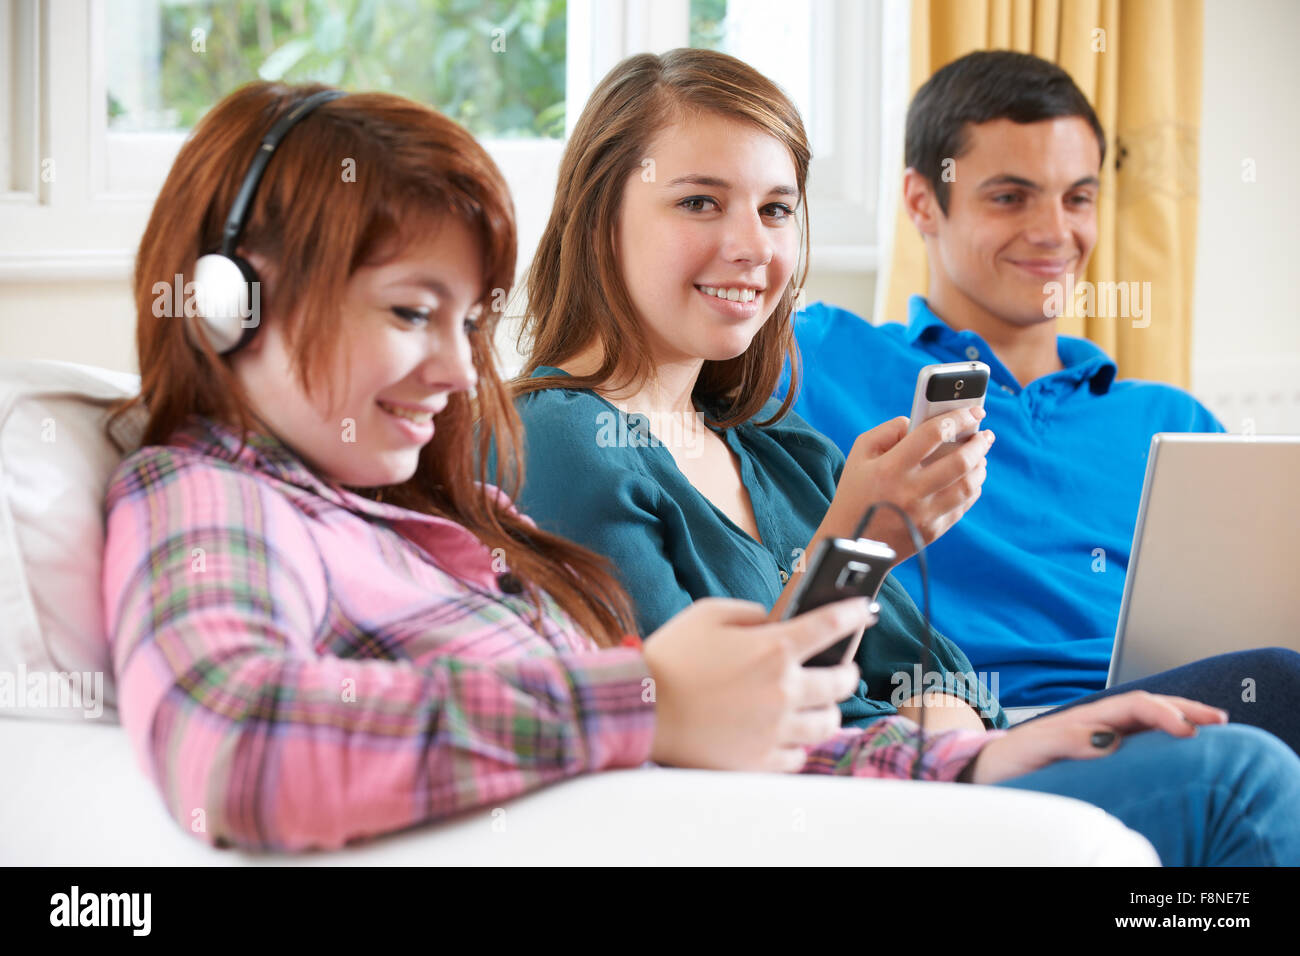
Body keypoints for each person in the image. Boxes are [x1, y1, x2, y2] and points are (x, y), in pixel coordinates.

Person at [99, 80, 1300, 866]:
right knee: (1240, 767)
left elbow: (728, 717)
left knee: (1255, 717)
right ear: (228, 301)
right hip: (756, 834)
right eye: (414, 310)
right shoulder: (211, 492)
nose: (463, 373)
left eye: (470, 323)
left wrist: (973, 748)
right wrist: (664, 687)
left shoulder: (459, 515)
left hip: (803, 800)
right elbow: (234, 735)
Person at [511, 47, 1300, 759]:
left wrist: (945, 714)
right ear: (598, 216)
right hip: (864, 793)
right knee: (1269, 709)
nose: (753, 246)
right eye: (699, 203)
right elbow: (708, 724)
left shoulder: (775, 446)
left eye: (777, 209)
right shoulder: (568, 442)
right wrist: (865, 540)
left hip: (945, 768)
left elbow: (935, 668)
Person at [779, 50, 1230, 710]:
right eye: (1010, 197)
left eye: (1078, 198)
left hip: (1183, 711)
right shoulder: (820, 360)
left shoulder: (1173, 420)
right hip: (978, 723)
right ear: (922, 202)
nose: (1055, 232)